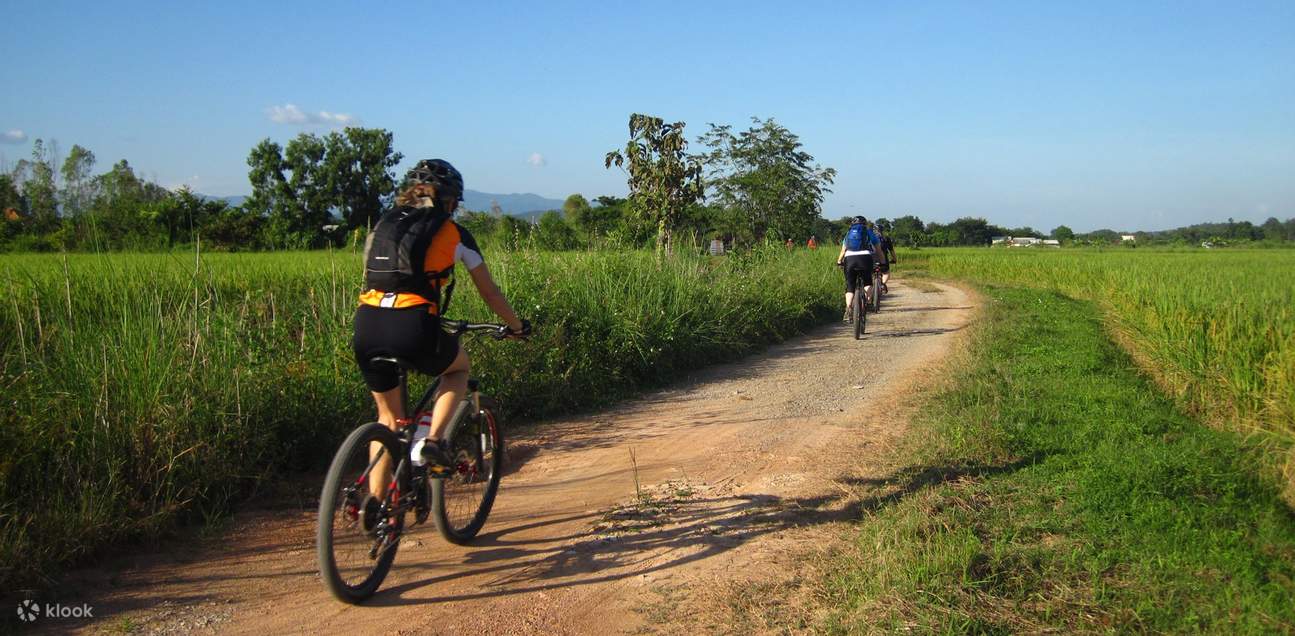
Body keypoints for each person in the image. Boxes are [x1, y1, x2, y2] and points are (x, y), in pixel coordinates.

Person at [352, 159, 530, 498]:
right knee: (458, 368)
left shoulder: (384, 225)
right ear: (449, 200)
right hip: (412, 325)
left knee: (388, 420)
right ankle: (433, 442)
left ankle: (376, 507)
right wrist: (517, 326)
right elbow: (490, 292)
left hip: (367, 323)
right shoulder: (454, 233)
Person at [836, 216, 881, 322]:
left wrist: (839, 262)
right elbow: (878, 251)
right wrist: (881, 263)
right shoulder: (869, 232)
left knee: (850, 285)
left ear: (852, 224)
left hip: (849, 258)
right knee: (867, 281)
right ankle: (868, 302)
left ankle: (848, 308)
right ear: (865, 224)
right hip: (865, 257)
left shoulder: (848, 233)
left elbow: (843, 251)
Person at [877, 226, 897, 293]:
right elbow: (891, 251)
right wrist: (894, 259)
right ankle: (882, 284)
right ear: (882, 230)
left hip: (872, 258)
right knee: (886, 273)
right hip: (883, 258)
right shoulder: (886, 238)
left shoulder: (870, 237)